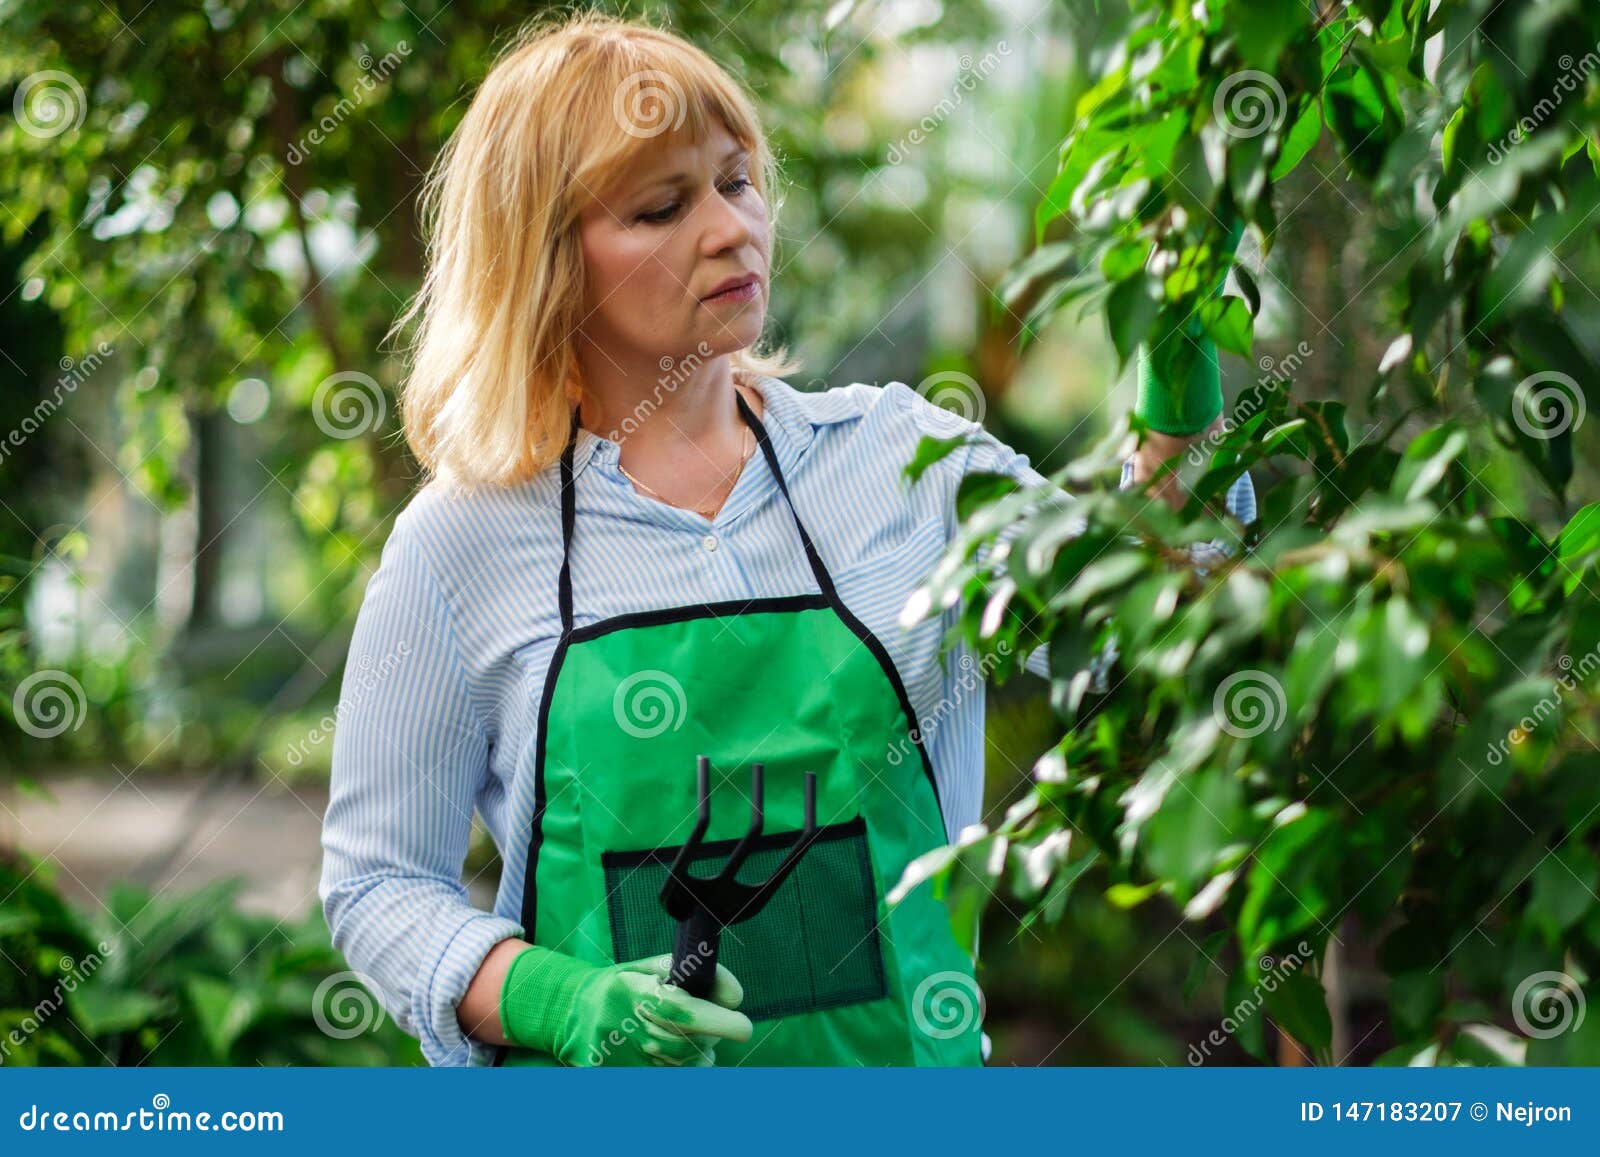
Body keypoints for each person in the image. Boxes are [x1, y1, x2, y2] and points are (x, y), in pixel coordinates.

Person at [319, 11, 1255, 1069]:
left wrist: (1175, 351)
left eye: (736, 181)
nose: (728, 229)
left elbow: (1157, 610)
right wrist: (559, 999)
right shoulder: (464, 543)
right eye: (661, 206)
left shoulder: (907, 466)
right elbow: (378, 885)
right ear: (547, 259)